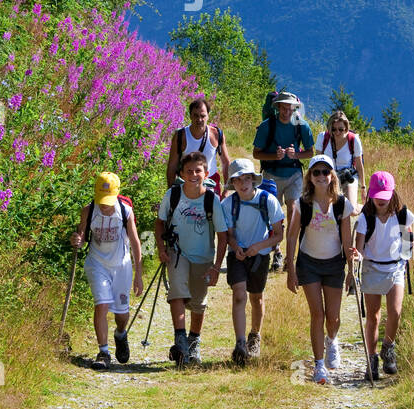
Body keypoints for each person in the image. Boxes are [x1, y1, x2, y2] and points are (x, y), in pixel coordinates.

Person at [285, 154, 357, 383]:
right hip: (309, 264)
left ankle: (332, 340)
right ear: (310, 176)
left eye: (325, 172)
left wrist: (351, 271)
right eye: (316, 172)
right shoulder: (302, 204)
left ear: (332, 175)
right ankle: (318, 366)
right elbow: (292, 236)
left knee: (333, 317)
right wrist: (291, 270)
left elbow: (347, 240)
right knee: (317, 314)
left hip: (335, 263)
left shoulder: (342, 204)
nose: (321, 176)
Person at [156, 152, 228, 365]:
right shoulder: (173, 194)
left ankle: (194, 339)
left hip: (203, 258)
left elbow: (222, 237)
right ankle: (181, 339)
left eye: (198, 171)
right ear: (181, 174)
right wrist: (161, 249)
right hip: (177, 252)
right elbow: (160, 222)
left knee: (198, 303)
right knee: (177, 293)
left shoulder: (212, 200)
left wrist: (216, 267)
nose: (194, 175)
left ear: (206, 173)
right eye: (189, 171)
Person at [71, 171, 143, 369]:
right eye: (102, 200)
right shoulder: (88, 210)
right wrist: (76, 239)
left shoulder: (125, 210)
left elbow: (136, 243)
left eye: (108, 200)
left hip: (122, 266)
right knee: (101, 305)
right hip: (97, 263)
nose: (105, 205)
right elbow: (81, 236)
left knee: (122, 315)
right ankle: (103, 352)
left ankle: (121, 334)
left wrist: (138, 275)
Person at [354, 171, 414, 381]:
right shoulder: (365, 218)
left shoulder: (402, 214)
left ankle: (388, 348)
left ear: (392, 193)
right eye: (377, 195)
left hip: (396, 268)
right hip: (372, 268)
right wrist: (357, 259)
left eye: (385, 195)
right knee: (373, 317)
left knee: (396, 312)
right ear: (370, 194)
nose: (381, 199)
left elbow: (409, 239)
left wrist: (408, 249)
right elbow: (359, 247)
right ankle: (371, 359)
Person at [222, 158, 284, 366]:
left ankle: (254, 336)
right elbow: (228, 234)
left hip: (260, 255)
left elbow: (278, 235)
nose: (243, 183)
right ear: (233, 182)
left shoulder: (268, 200)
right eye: (238, 180)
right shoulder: (228, 204)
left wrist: (258, 246)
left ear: (253, 179)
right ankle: (240, 344)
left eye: (246, 178)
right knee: (239, 295)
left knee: (256, 297)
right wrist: (235, 246)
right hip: (237, 256)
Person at [253, 91, 314, 265]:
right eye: (283, 108)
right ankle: (276, 252)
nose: (287, 112)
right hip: (271, 174)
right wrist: (274, 156)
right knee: (273, 214)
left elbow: (310, 152)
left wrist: (296, 155)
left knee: (293, 210)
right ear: (278, 107)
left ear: (295, 108)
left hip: (293, 173)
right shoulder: (267, 126)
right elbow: (256, 153)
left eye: (290, 108)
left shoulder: (302, 126)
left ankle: (289, 255)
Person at [166, 96, 230, 194]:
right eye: (195, 115)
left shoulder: (217, 135)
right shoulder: (181, 136)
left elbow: (226, 163)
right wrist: (171, 192)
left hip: (211, 183)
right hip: (187, 183)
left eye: (202, 116)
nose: (199, 119)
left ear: (208, 116)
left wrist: (226, 191)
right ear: (190, 116)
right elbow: (172, 166)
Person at [320, 111, 365, 208]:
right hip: (328, 176)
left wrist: (363, 187)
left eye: (341, 129)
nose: (337, 132)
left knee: (351, 209)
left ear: (346, 128)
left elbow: (359, 165)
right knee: (328, 207)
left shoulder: (354, 139)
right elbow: (318, 162)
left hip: (347, 176)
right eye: (334, 129)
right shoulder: (323, 138)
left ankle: (364, 209)